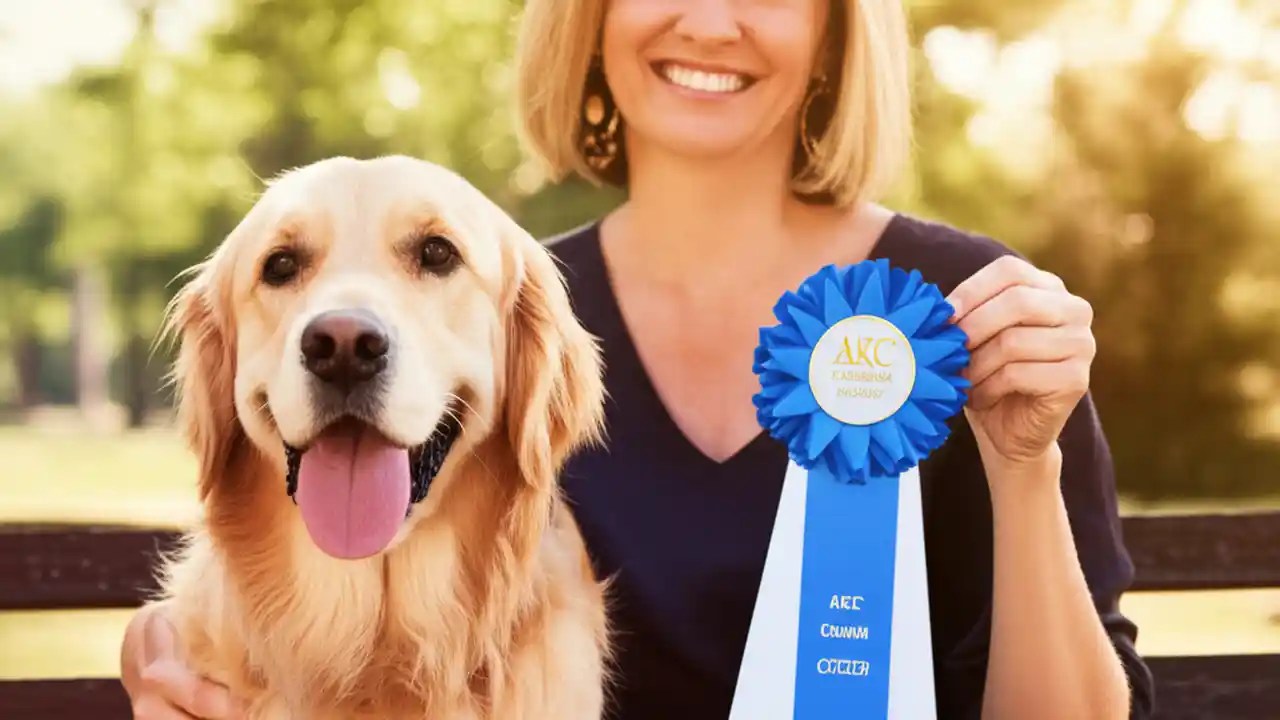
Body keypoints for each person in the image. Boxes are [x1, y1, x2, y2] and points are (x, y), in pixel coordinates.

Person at [121, 0, 1155, 718]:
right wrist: (181, 645)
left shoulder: (961, 315)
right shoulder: (485, 314)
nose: (708, 21)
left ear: (837, 33)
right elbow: (304, 605)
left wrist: (1022, 465)